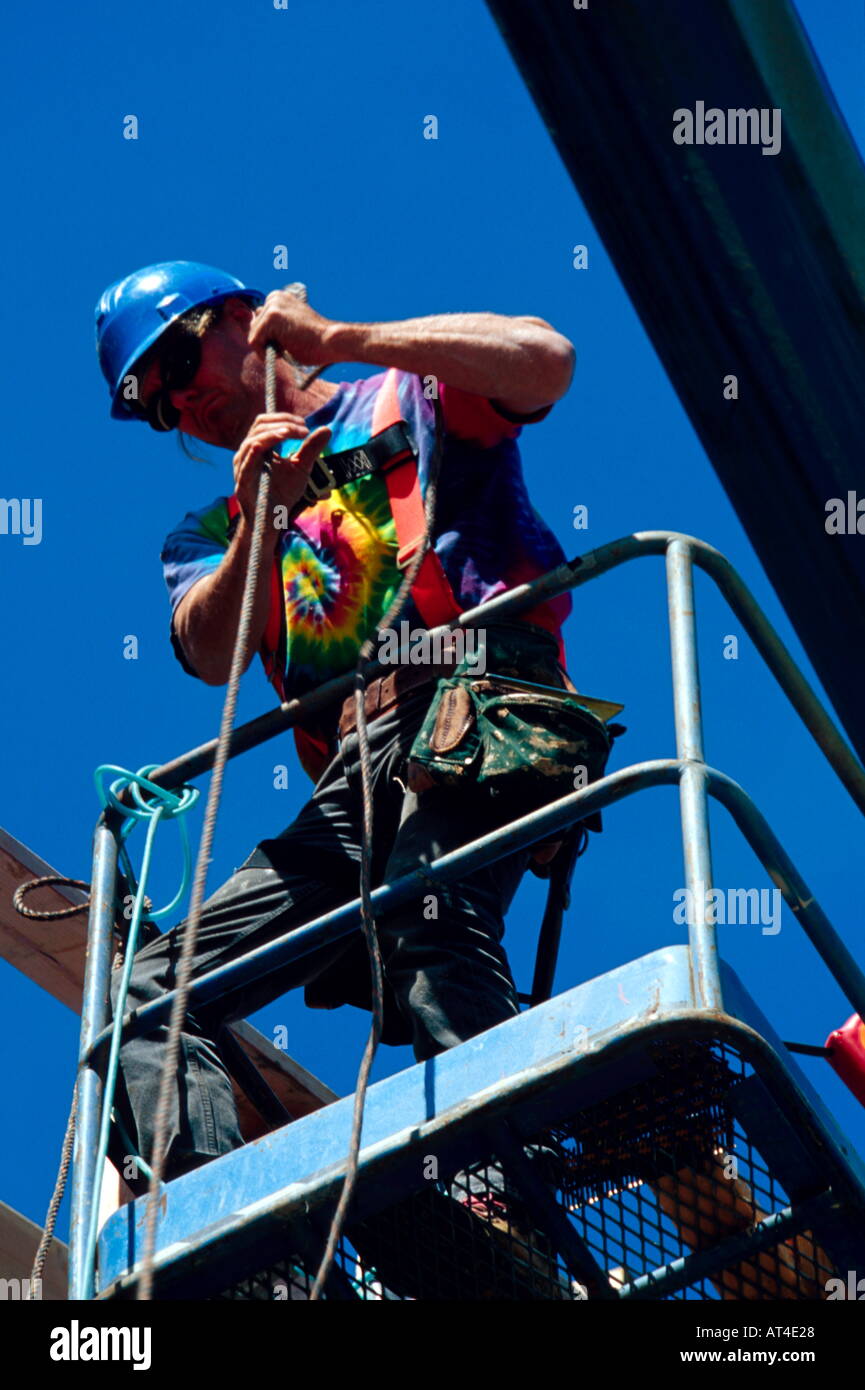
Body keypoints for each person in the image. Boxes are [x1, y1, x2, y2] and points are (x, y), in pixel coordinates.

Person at [94, 260, 581, 1198]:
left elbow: (544, 360)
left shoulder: (407, 394)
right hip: (351, 785)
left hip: (480, 708)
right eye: (157, 404)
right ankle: (214, 1239)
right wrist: (263, 522)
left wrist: (337, 342)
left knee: (426, 913)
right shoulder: (212, 526)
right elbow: (206, 652)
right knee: (147, 999)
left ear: (243, 315)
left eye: (177, 358)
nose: (180, 400)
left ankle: (505, 1175)